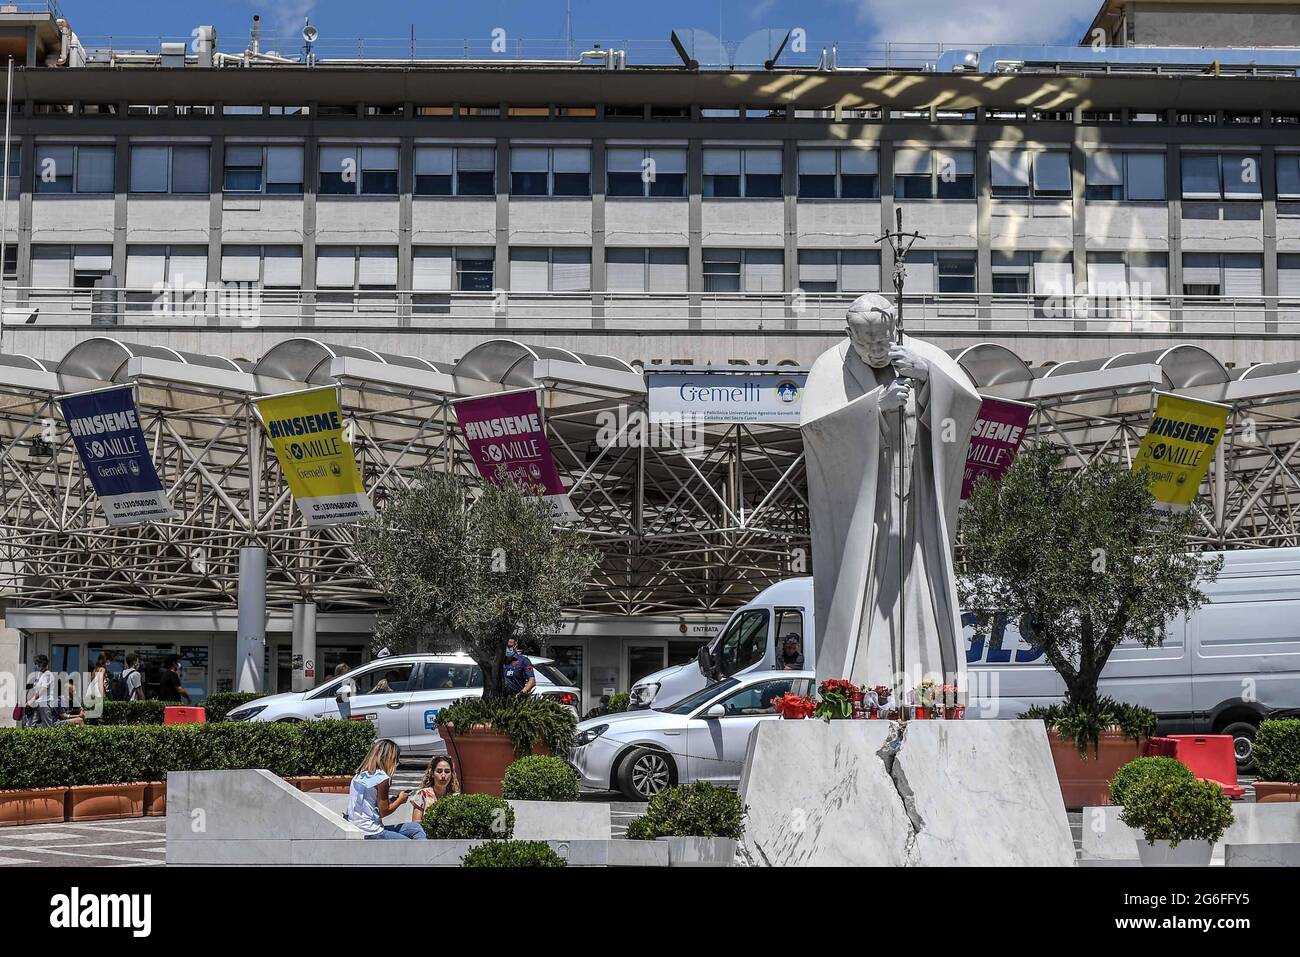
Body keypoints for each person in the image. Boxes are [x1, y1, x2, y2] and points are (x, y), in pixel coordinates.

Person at [346, 739, 426, 840]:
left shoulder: (359, 775)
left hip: (357, 827)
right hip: (372, 831)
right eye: (396, 760)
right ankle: (423, 855)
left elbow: (370, 805)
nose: (396, 764)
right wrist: (400, 800)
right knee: (408, 844)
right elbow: (384, 811)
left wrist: (392, 800)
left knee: (415, 828)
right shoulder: (382, 778)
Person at [409, 755, 459, 824]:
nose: (443, 775)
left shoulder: (455, 797)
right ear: (432, 774)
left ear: (451, 775)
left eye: (447, 771)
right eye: (439, 771)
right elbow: (415, 824)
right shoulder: (422, 794)